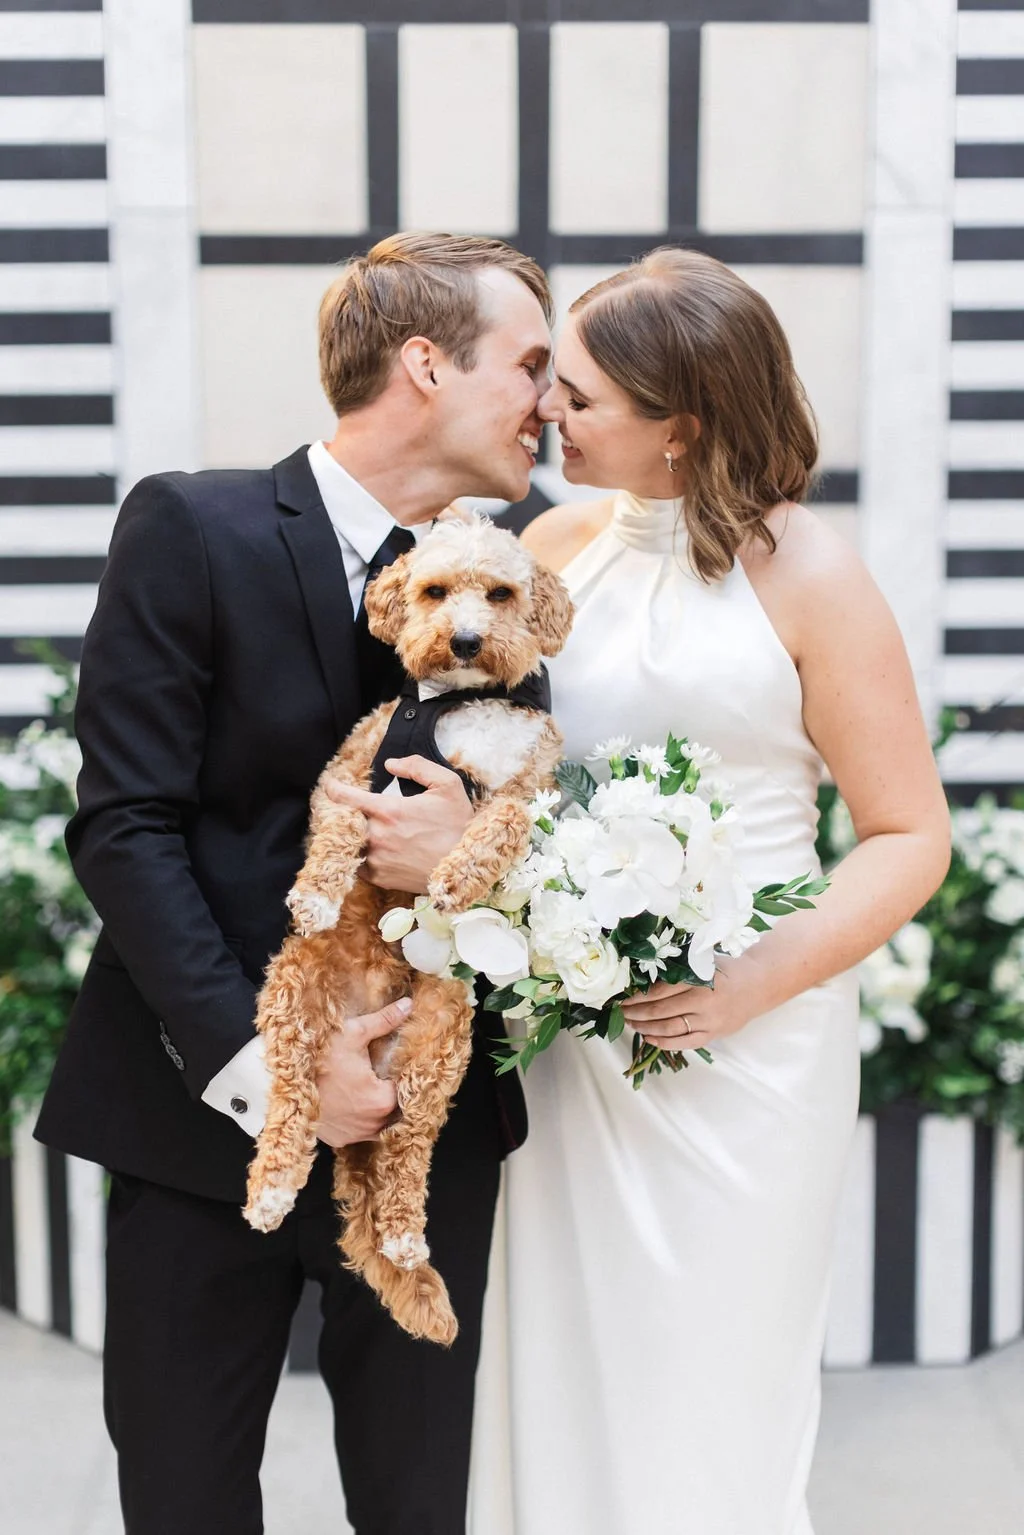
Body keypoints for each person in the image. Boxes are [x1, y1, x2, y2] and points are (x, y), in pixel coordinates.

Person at [345, 247, 951, 1534]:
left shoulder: (815, 578)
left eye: (580, 395)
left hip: (744, 1049)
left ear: (679, 422)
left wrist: (742, 988)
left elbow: (907, 835)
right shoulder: (548, 548)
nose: (546, 413)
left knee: (711, 1378)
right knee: (557, 1364)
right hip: (570, 1040)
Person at [34, 231, 553, 1535]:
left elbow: (542, 806)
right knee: (187, 1495)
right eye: (533, 363)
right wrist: (279, 1062)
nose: (551, 399)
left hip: (433, 1134)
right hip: (197, 1117)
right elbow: (125, 825)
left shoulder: (521, 564)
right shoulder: (191, 522)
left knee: (424, 1500)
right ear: (426, 364)